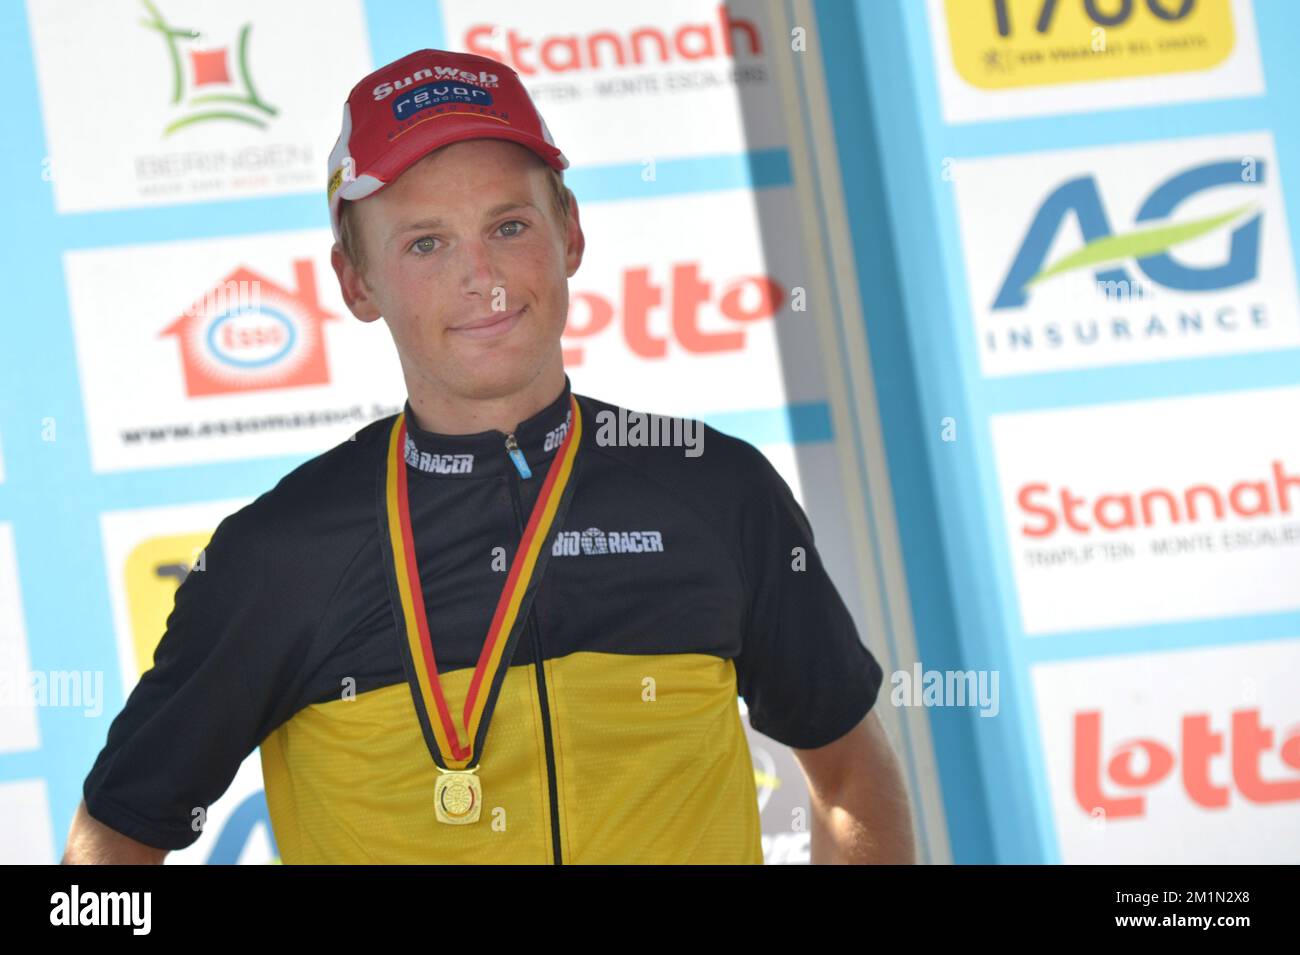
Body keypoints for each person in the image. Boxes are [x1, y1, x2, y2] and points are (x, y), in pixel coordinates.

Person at [63, 48, 915, 865]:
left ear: (570, 233)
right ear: (356, 282)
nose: (485, 277)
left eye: (509, 225)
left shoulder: (713, 487)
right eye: (425, 243)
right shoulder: (276, 555)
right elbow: (112, 840)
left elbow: (848, 775)